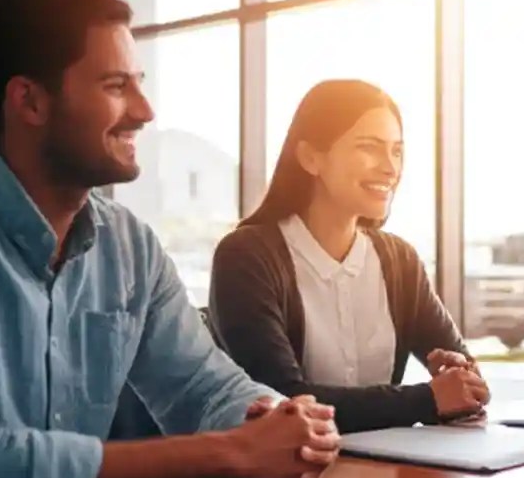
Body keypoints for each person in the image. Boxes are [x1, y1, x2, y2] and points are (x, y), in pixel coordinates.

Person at [0, 0, 341, 478]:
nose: (145, 111)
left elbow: (202, 387)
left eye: (138, 83)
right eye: (115, 85)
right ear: (29, 101)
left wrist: (279, 419)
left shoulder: (131, 247)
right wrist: (230, 451)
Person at [208, 80, 489, 434]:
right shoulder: (246, 256)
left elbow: (472, 388)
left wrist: (462, 379)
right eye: (369, 148)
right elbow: (283, 402)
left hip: (388, 473)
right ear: (311, 157)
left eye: (397, 151)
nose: (390, 168)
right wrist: (427, 400)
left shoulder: (400, 260)